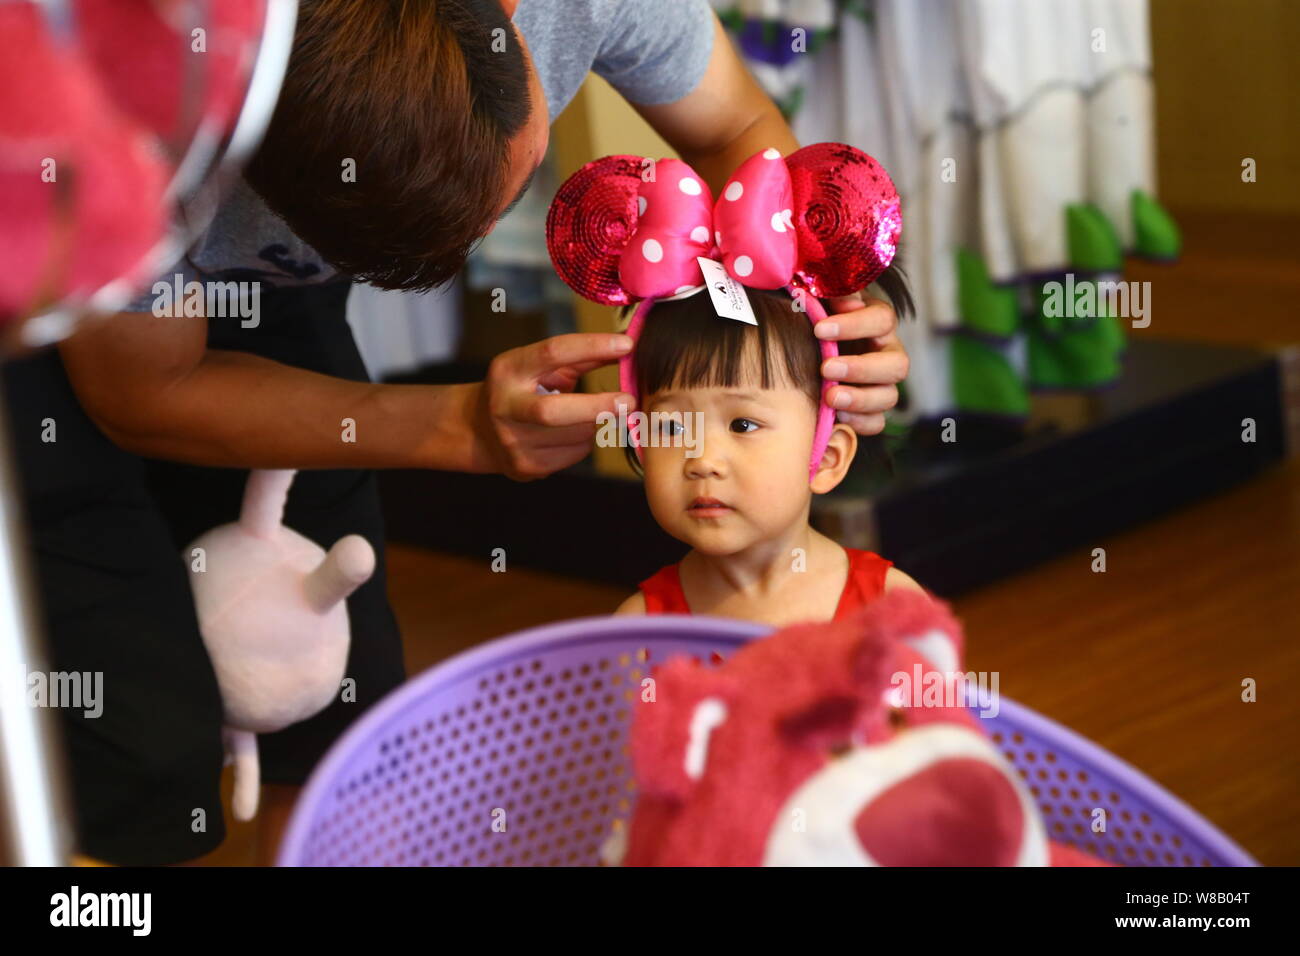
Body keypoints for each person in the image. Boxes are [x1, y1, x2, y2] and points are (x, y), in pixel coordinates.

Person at [18, 0, 910, 864]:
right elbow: (142, 391)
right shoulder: (136, 94)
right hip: (41, 313)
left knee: (343, 701)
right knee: (139, 750)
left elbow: (735, 125)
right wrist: (458, 426)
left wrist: (834, 303)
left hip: (249, 290)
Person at [607, 288, 925, 625]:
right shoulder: (639, 632)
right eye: (671, 428)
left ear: (828, 457)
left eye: (742, 424)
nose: (702, 461)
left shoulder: (891, 609)